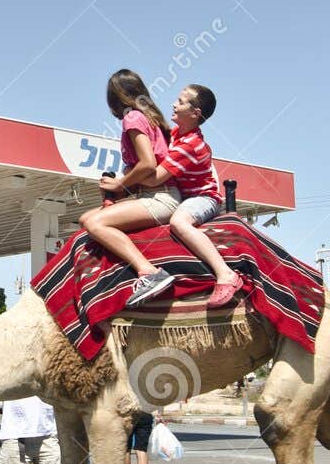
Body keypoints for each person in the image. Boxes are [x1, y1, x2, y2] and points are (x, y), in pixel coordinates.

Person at [129, 84, 241, 308]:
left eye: (180, 102)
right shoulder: (175, 135)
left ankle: (225, 274)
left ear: (195, 113)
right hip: (183, 197)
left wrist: (125, 180)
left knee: (179, 222)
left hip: (203, 198)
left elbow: (154, 179)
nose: (174, 104)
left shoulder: (190, 145)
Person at [78, 70, 182, 303]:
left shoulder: (132, 118)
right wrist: (124, 187)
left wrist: (119, 184)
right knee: (85, 219)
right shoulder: (150, 117)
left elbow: (147, 164)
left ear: (116, 98)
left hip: (160, 198)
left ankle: (149, 272)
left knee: (95, 223)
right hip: (153, 194)